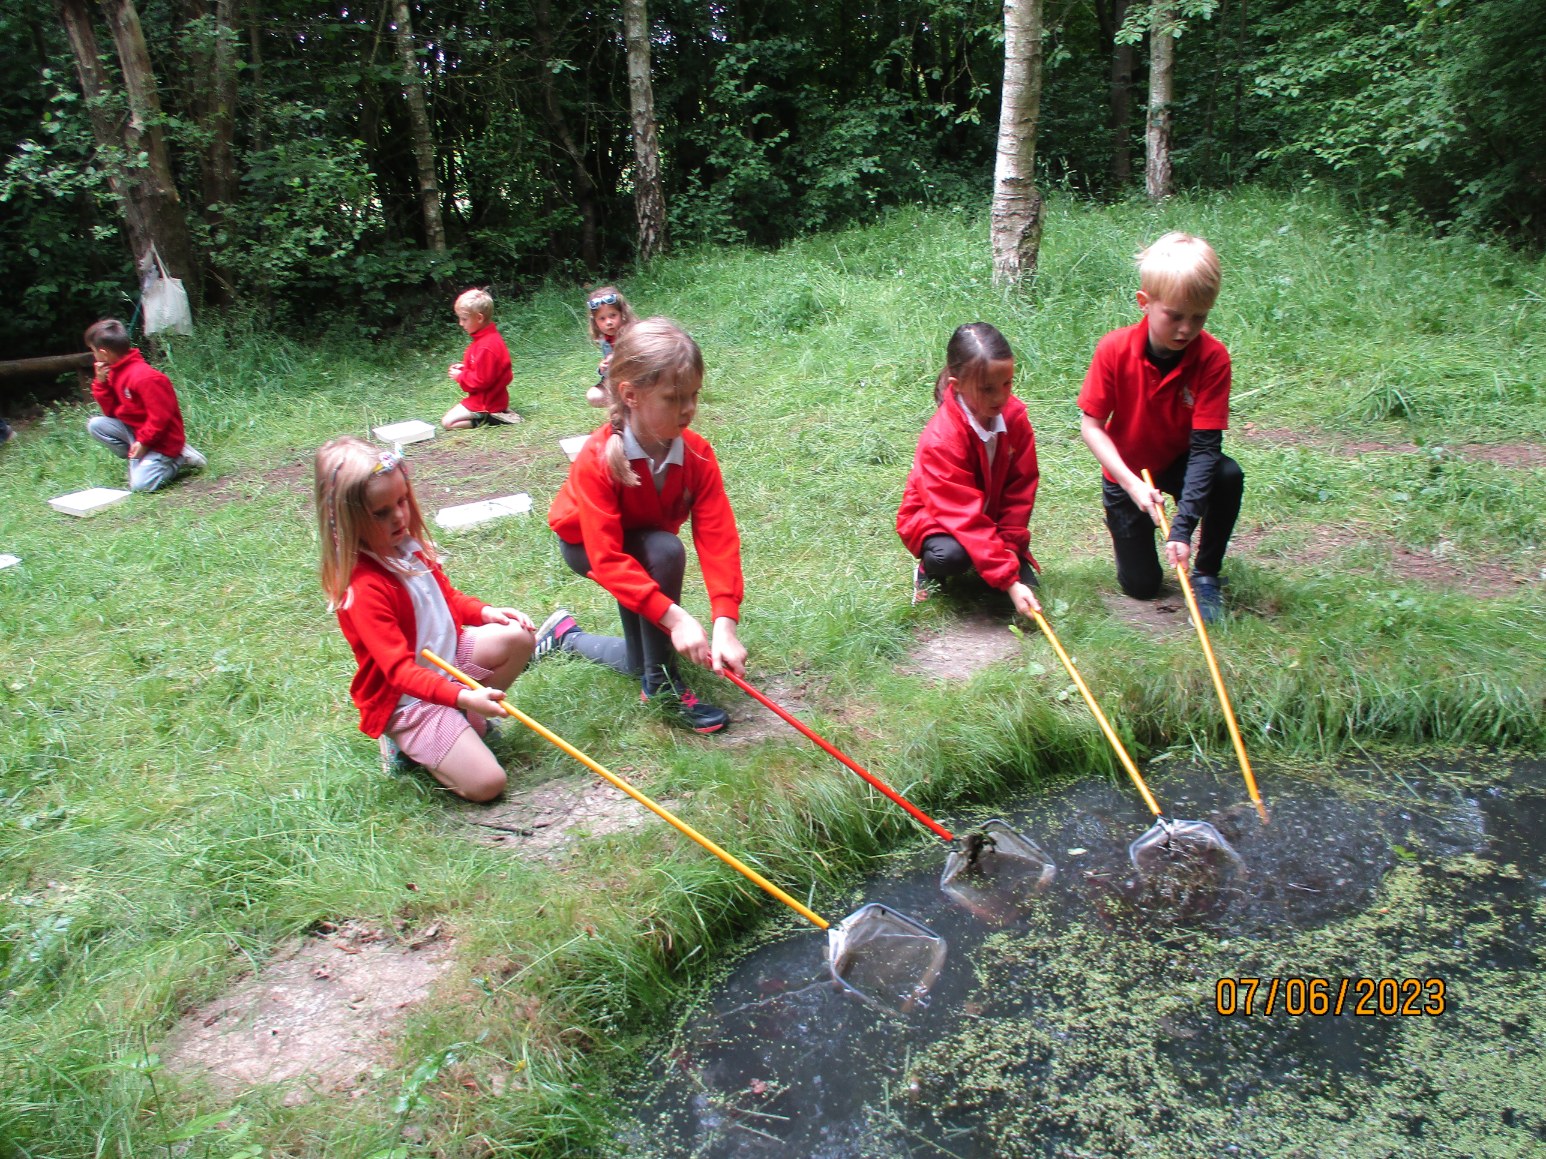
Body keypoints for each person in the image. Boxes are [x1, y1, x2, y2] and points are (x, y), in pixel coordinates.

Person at [539, 317, 746, 734]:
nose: (688, 409)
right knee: (665, 552)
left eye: (693, 396)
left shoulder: (697, 455)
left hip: (641, 542)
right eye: (673, 398)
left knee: (642, 654)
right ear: (630, 395)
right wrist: (676, 620)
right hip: (588, 544)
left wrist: (725, 622)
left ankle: (566, 636)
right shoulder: (597, 459)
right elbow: (608, 557)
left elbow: (717, 535)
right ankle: (661, 686)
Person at [316, 435, 536, 801]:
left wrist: (483, 612)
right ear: (348, 520)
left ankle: (458, 724)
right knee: (487, 785)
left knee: (518, 637)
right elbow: (400, 672)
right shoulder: (364, 587)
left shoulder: (404, 546)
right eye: (381, 512)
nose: (399, 516)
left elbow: (444, 597)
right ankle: (405, 744)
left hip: (445, 663)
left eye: (401, 501)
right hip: (409, 701)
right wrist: (465, 696)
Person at [1076, 231, 1243, 624]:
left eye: (1199, 317)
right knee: (1141, 586)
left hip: (1178, 461)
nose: (1187, 329)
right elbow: (1091, 427)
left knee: (1227, 475)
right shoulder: (1113, 350)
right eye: (1175, 315)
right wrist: (1132, 485)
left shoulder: (1214, 359)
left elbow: (1205, 450)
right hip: (1127, 473)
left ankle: (1205, 575)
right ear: (1145, 303)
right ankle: (1129, 529)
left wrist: (1182, 529)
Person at [896, 323, 1042, 617]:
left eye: (1007, 384)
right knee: (952, 556)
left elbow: (1020, 490)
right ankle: (928, 570)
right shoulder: (941, 440)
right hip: (939, 521)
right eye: (987, 389)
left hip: (985, 517)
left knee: (1017, 581)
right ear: (956, 385)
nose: (1000, 397)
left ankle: (991, 560)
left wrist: (1011, 550)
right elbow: (962, 516)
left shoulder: (1014, 419)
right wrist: (1009, 580)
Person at [84, 318, 206, 492]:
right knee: (96, 425)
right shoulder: (114, 372)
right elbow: (110, 413)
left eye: (93, 351)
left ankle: (180, 459)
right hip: (136, 432)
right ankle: (144, 461)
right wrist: (101, 384)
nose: (93, 356)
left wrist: (144, 442)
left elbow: (160, 418)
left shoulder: (146, 378)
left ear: (103, 353)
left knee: (141, 486)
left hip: (161, 439)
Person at [443, 288, 519, 429]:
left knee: (448, 423)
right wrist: (465, 368)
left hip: (486, 402)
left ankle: (490, 419)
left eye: (464, 319)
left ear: (479, 318)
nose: (461, 323)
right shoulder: (484, 339)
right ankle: (492, 415)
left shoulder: (486, 346)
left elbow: (481, 381)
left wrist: (461, 376)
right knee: (449, 421)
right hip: (491, 398)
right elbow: (484, 369)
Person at [584, 285, 636, 408]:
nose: (608, 322)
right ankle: (622, 408)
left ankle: (630, 408)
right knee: (593, 396)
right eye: (602, 318)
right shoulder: (604, 339)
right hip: (617, 382)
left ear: (622, 313)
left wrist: (619, 358)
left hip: (637, 379)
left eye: (613, 315)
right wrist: (603, 369)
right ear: (595, 322)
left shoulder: (632, 333)